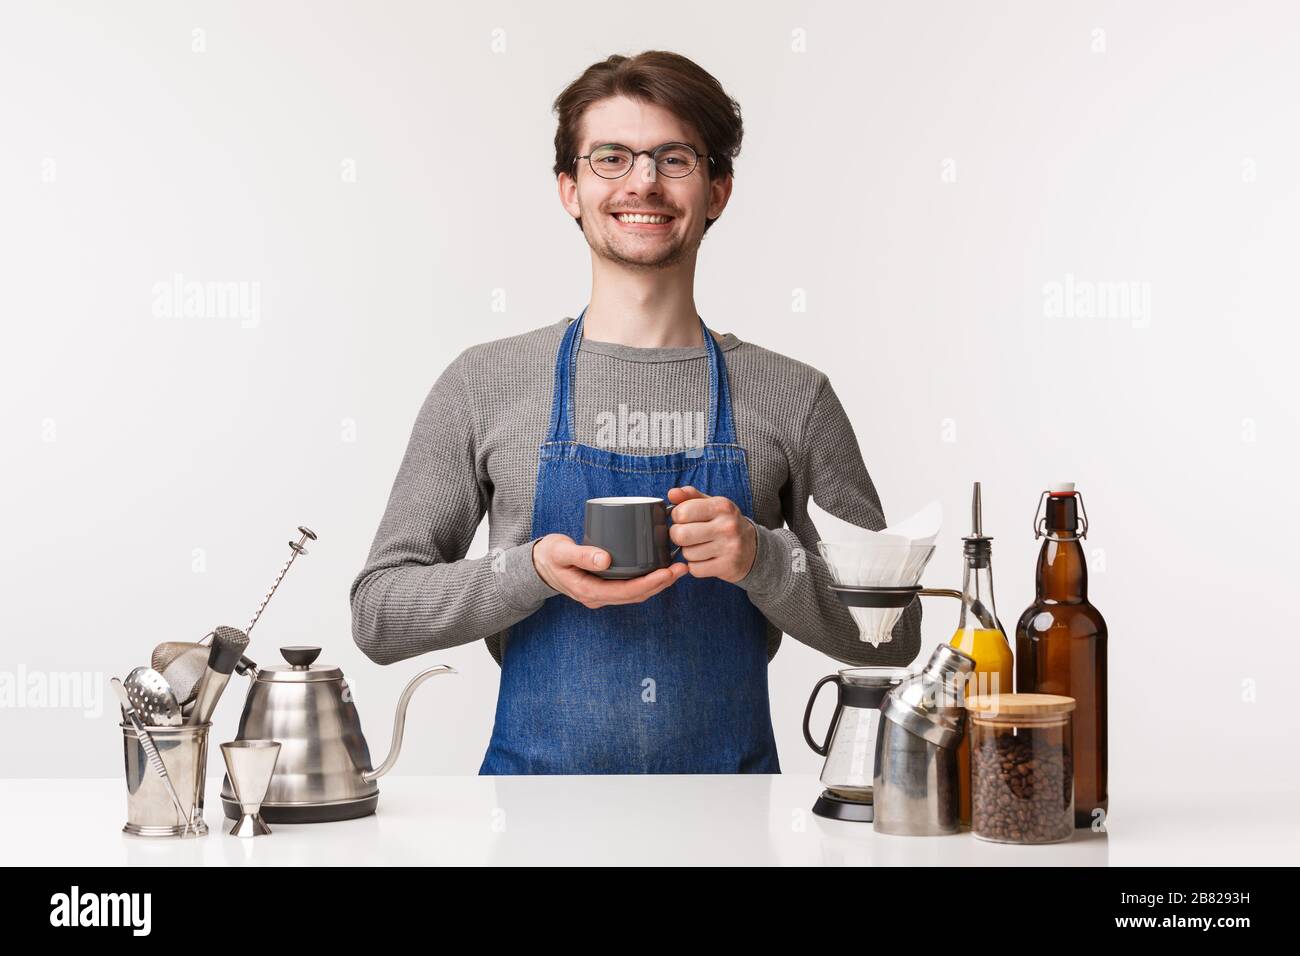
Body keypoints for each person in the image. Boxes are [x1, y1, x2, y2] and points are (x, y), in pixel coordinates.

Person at [350, 50, 920, 774]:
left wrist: (762, 558)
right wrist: (529, 570)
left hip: (733, 815)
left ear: (718, 191)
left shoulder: (794, 396)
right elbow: (378, 616)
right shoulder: (483, 383)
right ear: (570, 189)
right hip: (533, 815)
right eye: (611, 157)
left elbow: (890, 634)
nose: (643, 182)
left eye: (673, 159)